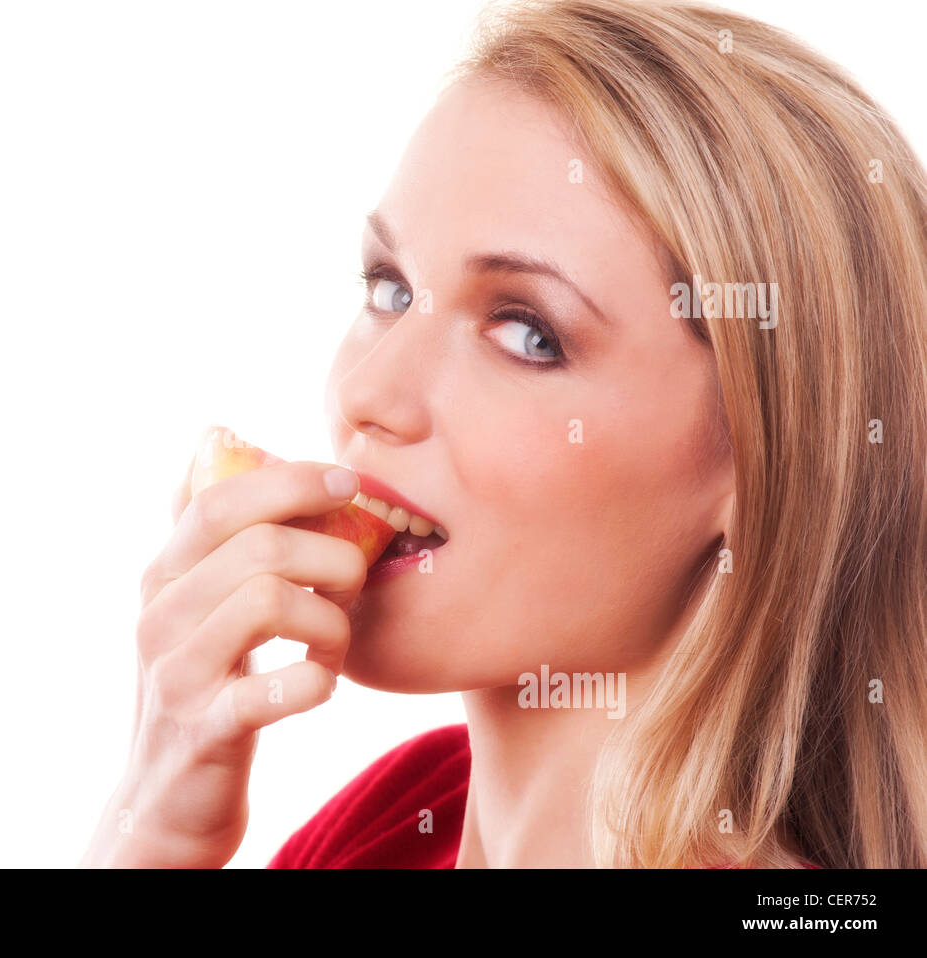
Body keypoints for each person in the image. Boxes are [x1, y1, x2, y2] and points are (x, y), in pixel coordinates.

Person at [82, 0, 927, 868]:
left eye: (529, 333)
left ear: (765, 471)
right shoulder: (400, 816)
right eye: (390, 289)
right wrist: (152, 827)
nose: (369, 394)